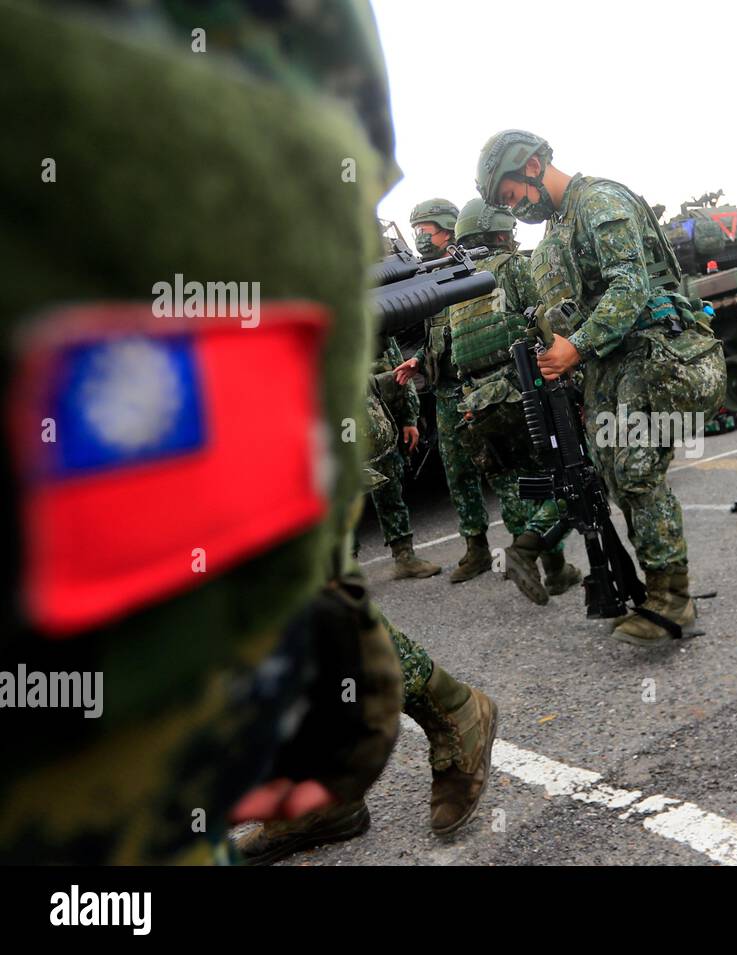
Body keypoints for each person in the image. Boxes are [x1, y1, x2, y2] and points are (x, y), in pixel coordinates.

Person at [0, 0, 495, 865]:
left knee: (165, 653)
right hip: (247, 183)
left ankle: (415, 716)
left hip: (188, 187)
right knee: (244, 594)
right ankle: (363, 745)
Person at [475, 130, 726, 647]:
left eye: (511, 194)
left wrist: (577, 346)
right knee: (615, 475)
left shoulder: (599, 201)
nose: (514, 207)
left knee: (635, 472)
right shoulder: (557, 231)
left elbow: (629, 286)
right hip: (608, 365)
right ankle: (659, 590)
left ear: (533, 165)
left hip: (650, 350)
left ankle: (672, 601)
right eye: (504, 204)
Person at [446, 198, 581, 603]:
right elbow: (545, 324)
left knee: (516, 490)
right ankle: (528, 551)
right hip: (517, 391)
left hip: (476, 403)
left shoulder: (457, 284)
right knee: (573, 475)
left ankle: (555, 571)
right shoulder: (514, 267)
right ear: (502, 232)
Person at [394, 199, 499, 584]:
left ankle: (532, 546)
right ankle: (477, 550)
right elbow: (438, 333)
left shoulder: (469, 270)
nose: (420, 237)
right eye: (416, 229)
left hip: (480, 384)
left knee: (501, 468)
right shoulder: (427, 276)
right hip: (446, 391)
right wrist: (419, 360)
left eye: (426, 229)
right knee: (458, 475)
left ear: (446, 228)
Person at [364, 338, 442, 577]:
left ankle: (405, 557)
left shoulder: (379, 332)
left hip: (383, 423)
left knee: (391, 490)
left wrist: (409, 419)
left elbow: (401, 374)